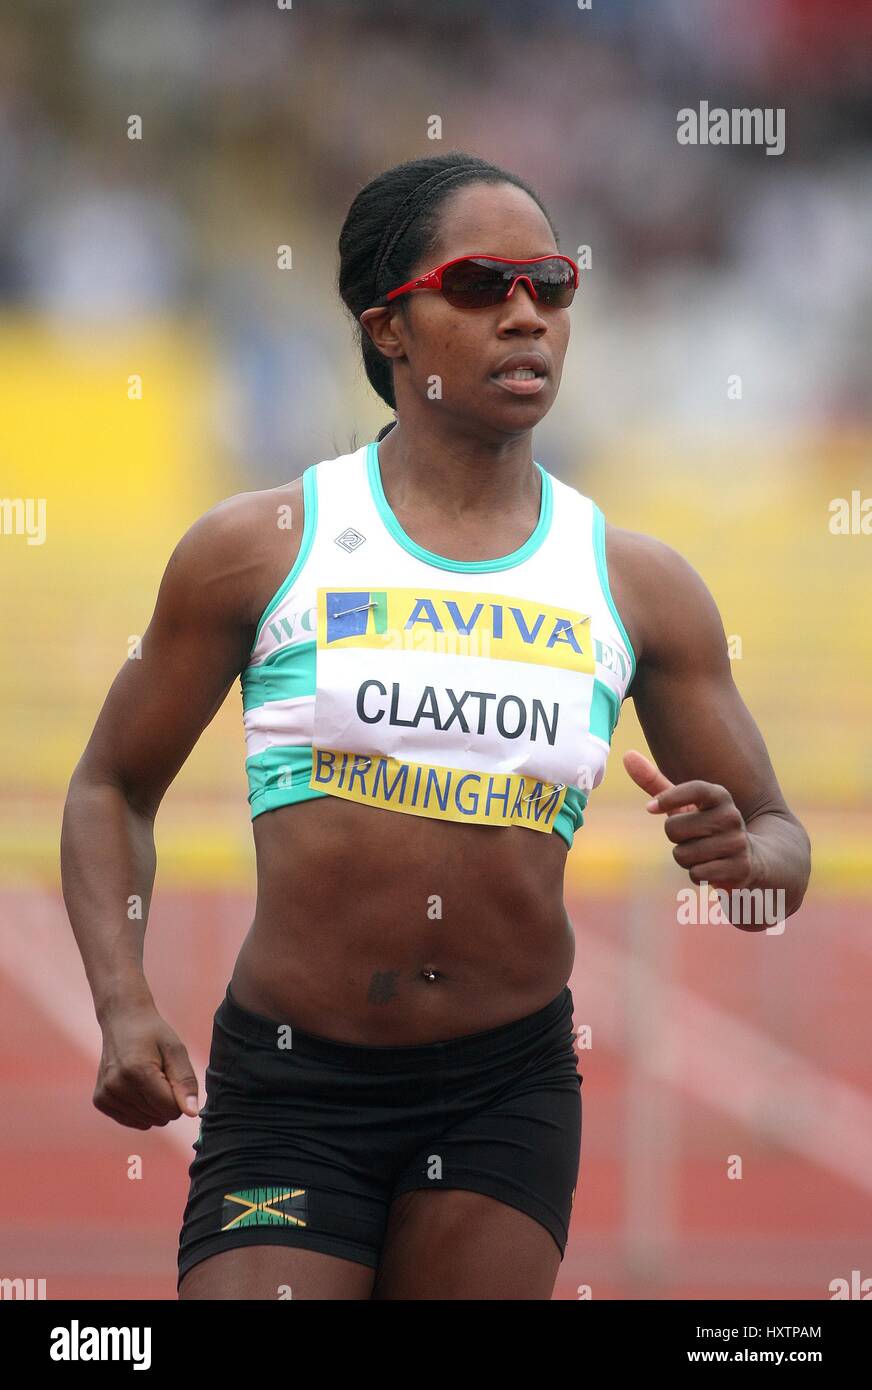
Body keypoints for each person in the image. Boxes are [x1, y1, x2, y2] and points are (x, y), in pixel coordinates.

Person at [60, 151, 811, 1301]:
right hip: (292, 1086)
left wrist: (745, 864)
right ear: (388, 329)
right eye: (477, 285)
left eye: (549, 284)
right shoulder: (256, 548)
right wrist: (121, 1003)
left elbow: (776, 851)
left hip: (501, 1090)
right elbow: (111, 786)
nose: (524, 314)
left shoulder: (638, 585)